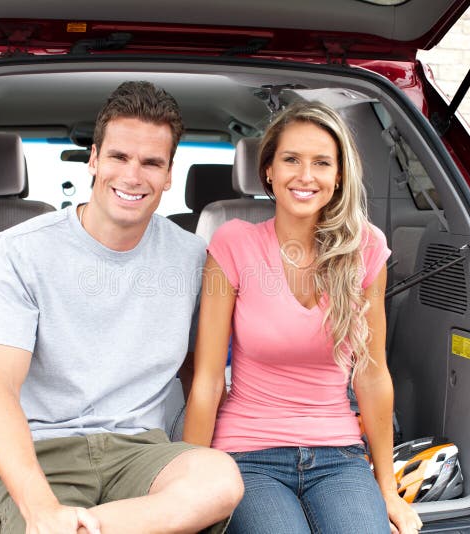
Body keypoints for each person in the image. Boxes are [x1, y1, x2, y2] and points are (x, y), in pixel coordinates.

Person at [0, 81, 243, 534]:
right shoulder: (19, 251)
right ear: (94, 159)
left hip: (143, 452)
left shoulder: (193, 257)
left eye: (152, 163)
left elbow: (203, 372)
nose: (133, 176)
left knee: (219, 478)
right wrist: (42, 510)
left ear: (169, 174)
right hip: (43, 455)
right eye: (119, 157)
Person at [182, 101, 423, 534]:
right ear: (269, 170)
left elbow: (371, 376)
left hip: (339, 455)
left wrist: (387, 489)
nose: (305, 175)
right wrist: (188, 486)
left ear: (339, 175)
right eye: (291, 159)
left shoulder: (366, 248)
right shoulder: (234, 243)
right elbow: (209, 380)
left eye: (322, 163)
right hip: (248, 453)